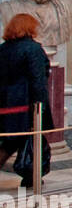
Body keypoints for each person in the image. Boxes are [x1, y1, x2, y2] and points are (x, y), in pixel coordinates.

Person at [0, 14, 52, 188]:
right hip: (25, 104)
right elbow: (38, 80)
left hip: (6, 103)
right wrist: (41, 108)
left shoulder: (3, 49)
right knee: (25, 141)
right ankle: (31, 176)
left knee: (11, 141)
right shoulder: (33, 49)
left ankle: (31, 176)